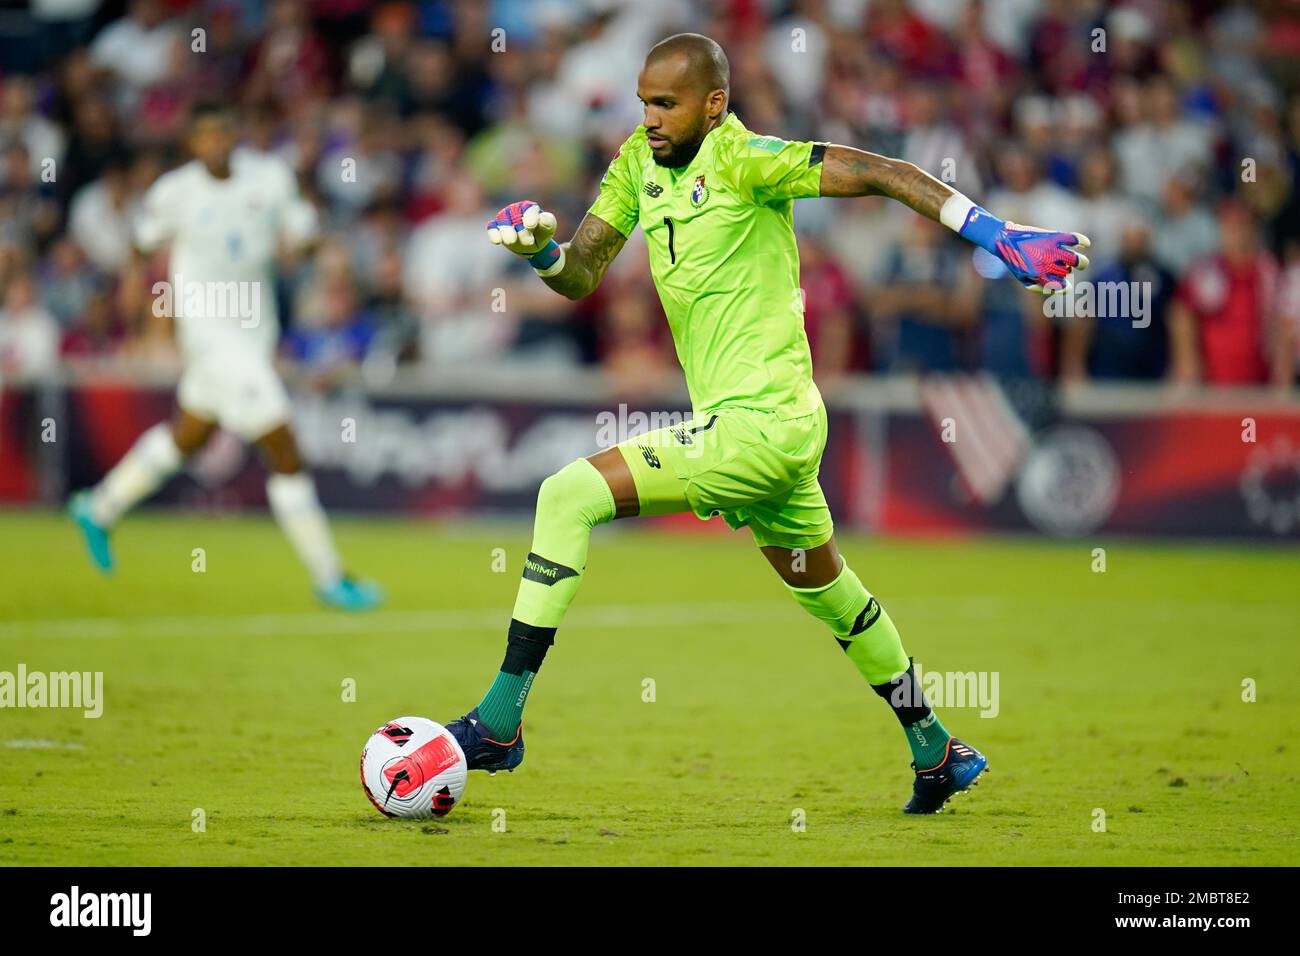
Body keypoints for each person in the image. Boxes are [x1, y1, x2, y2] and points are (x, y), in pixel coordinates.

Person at [444, 34, 1088, 814]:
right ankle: (936, 749)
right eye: (644, 99)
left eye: (667, 103)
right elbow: (583, 274)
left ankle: (500, 724)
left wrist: (996, 233)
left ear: (714, 105)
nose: (649, 116)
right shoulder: (635, 165)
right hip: (759, 427)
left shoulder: (751, 160)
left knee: (565, 495)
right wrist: (543, 253)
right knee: (834, 596)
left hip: (763, 426)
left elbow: (886, 173)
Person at [68, 101, 381, 611]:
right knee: (284, 446)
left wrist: (305, 244)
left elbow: (301, 234)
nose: (215, 142)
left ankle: (99, 506)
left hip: (254, 332)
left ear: (235, 133)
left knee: (190, 435)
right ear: (192, 142)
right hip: (210, 333)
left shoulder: (270, 177)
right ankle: (330, 576)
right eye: (205, 135)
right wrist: (135, 298)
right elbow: (141, 245)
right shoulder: (176, 192)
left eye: (223, 131)